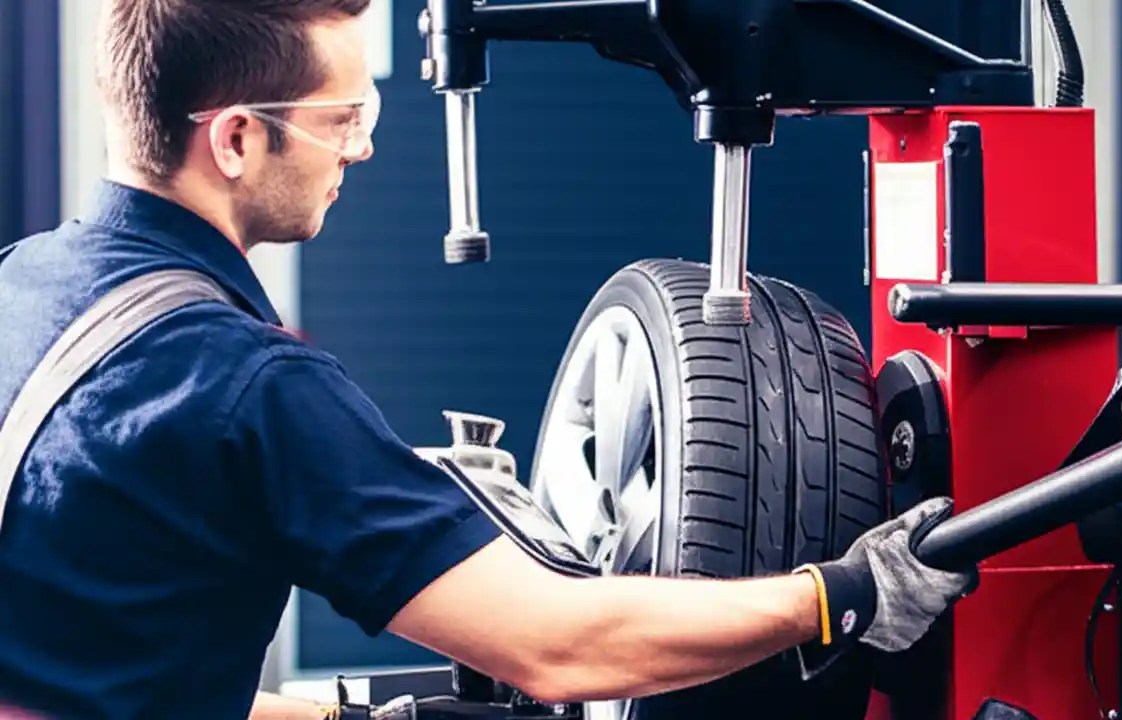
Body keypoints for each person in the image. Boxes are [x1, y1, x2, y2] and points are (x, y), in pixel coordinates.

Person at [0, 1, 976, 718]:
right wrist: (835, 595)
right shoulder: (249, 388)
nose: (362, 150)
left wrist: (349, 719)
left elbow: (104, 670)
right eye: (344, 120)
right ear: (239, 139)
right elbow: (554, 645)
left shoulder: (22, 286)